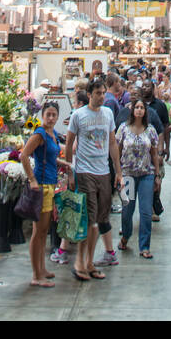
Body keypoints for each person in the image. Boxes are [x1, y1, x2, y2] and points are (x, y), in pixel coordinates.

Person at [63, 76, 122, 282]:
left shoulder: (108, 114)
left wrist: (118, 171)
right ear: (89, 95)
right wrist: (70, 171)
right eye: (98, 93)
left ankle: (89, 262)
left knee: (100, 219)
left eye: (104, 93)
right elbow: (70, 144)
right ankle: (79, 262)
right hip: (84, 172)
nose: (102, 96)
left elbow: (112, 143)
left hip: (103, 172)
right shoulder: (78, 115)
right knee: (88, 219)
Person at [21, 99, 72, 288]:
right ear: (42, 115)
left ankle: (41, 269)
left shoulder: (52, 135)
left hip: (50, 184)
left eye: (54, 115)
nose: (51, 118)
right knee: (39, 231)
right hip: (41, 185)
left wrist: (65, 164)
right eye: (48, 114)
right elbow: (24, 155)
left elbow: (50, 158)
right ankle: (36, 274)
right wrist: (32, 179)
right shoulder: (40, 133)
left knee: (44, 231)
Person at [116, 97, 160, 258]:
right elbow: (117, 151)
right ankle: (125, 237)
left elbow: (154, 153)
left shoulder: (151, 130)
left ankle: (145, 246)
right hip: (127, 174)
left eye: (142, 107)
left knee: (146, 212)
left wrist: (157, 175)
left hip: (146, 174)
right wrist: (118, 173)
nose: (140, 110)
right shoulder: (123, 129)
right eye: (137, 107)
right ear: (132, 110)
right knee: (127, 211)